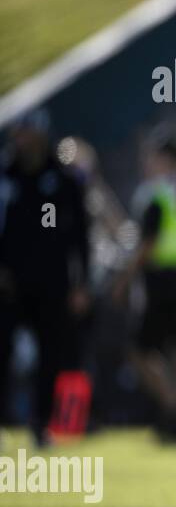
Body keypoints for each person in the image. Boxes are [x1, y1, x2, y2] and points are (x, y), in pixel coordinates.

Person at [0, 109, 91, 446]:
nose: (21, 140)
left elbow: (81, 236)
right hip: (8, 284)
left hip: (52, 284)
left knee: (49, 355)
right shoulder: (6, 175)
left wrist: (81, 283)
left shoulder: (64, 179)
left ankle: (40, 425)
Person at [115, 127, 176, 443]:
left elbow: (148, 243)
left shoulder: (156, 193)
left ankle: (175, 407)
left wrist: (123, 280)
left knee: (143, 349)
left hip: (162, 280)